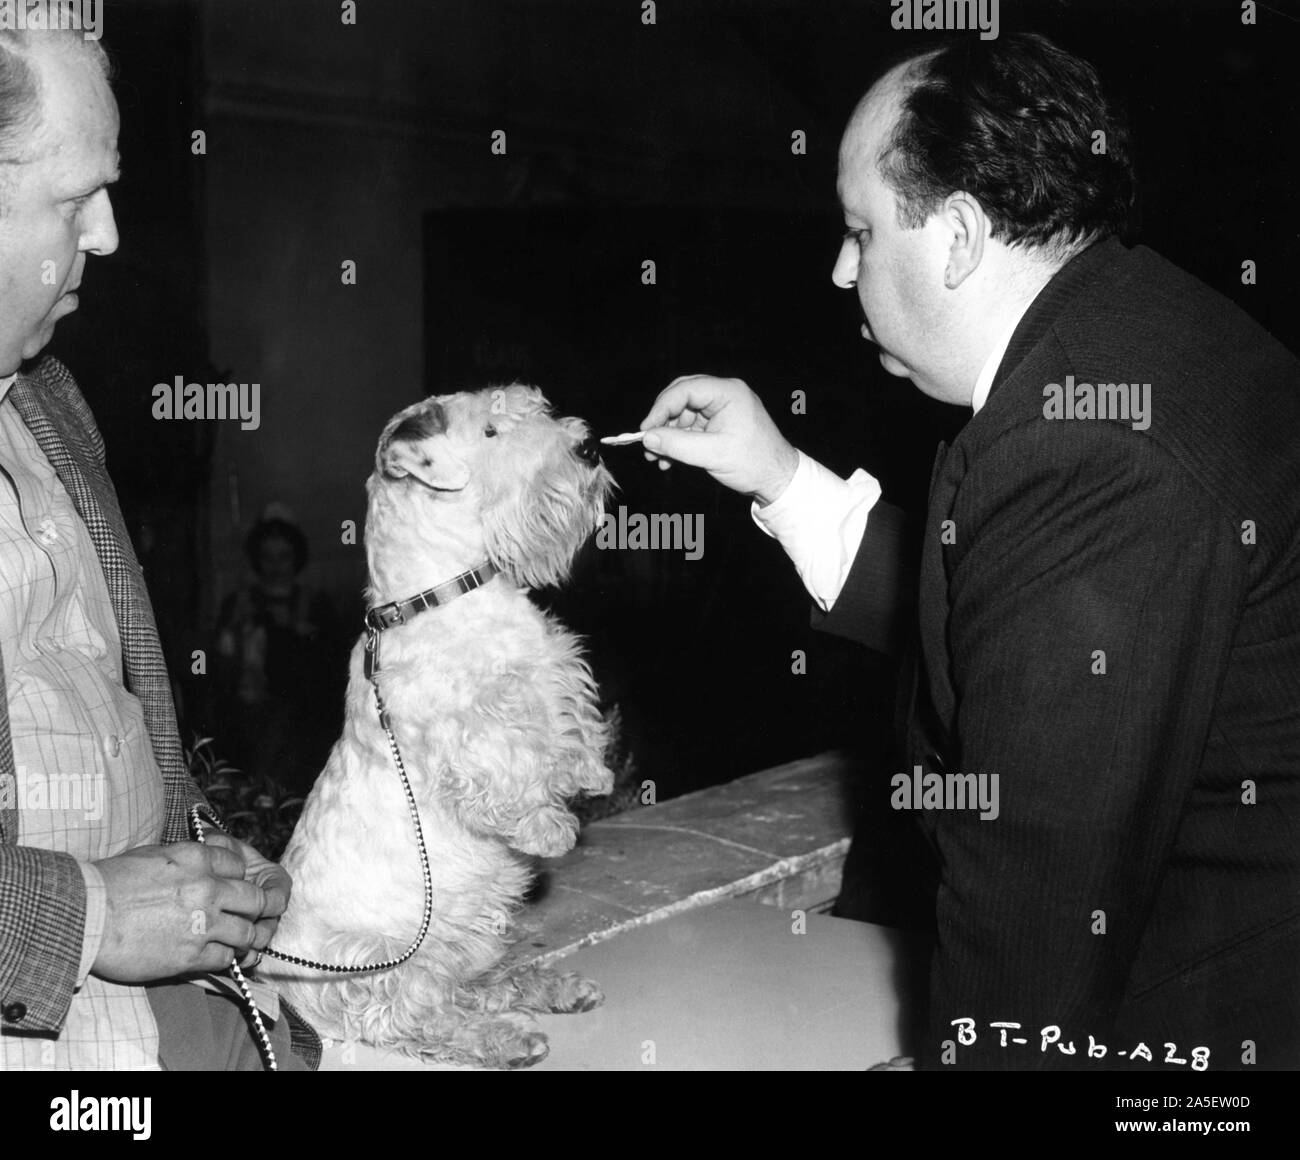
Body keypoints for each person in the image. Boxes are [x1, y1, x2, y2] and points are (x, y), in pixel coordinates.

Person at [638, 33, 1300, 1070]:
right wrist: (778, 473)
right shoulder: (1125, 333)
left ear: (953, 234)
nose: (840, 267)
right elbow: (1000, 594)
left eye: (861, 230)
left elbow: (1037, 880)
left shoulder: (1083, 447)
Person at [0, 21, 315, 1069]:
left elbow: (107, 692)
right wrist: (88, 912)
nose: (110, 235)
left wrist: (197, 862)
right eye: (72, 197)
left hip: (163, 1018)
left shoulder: (48, 400)